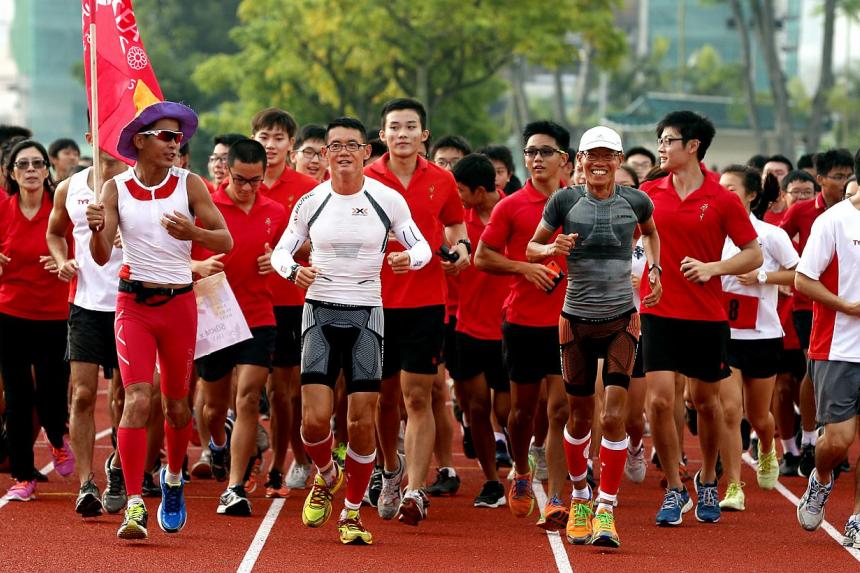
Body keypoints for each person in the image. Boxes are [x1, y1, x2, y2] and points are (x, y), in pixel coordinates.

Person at [272, 116, 431, 544]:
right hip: (319, 313)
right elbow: (281, 252)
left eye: (352, 145)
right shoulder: (310, 202)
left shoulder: (388, 200)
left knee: (362, 423)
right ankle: (328, 472)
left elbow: (423, 246)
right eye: (335, 144)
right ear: (324, 154)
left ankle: (352, 512)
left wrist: (407, 260)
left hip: (367, 316)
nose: (343, 151)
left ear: (366, 153)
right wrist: (294, 273)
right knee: (313, 423)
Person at [87, 100, 233, 540]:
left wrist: (194, 234)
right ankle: (134, 503)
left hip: (179, 306)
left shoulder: (190, 185)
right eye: (167, 137)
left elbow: (225, 238)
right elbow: (99, 256)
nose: (176, 144)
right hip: (133, 305)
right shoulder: (115, 188)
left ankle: (172, 478)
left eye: (179, 137)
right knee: (136, 398)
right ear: (140, 141)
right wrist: (97, 229)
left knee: (176, 405)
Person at [527, 126, 660, 548]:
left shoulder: (636, 201)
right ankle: (581, 494)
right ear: (580, 161)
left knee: (612, 418)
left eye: (608, 155)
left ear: (619, 161)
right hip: (576, 321)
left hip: (622, 319)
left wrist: (654, 268)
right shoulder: (564, 200)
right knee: (579, 416)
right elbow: (532, 247)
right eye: (592, 155)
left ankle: (606, 506)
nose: (599, 162)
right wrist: (552, 250)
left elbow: (652, 233)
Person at [639, 111, 762, 526]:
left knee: (705, 403)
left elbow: (753, 253)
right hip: (658, 308)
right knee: (658, 400)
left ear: (693, 146)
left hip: (705, 315)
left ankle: (708, 478)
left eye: (669, 140)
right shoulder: (649, 191)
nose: (661, 147)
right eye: (660, 139)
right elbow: (636, 241)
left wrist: (713, 268)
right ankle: (676, 487)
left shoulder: (722, 198)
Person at [365, 98, 469, 526]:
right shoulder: (366, 178)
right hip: (374, 301)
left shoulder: (442, 180)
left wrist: (461, 249)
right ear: (383, 134)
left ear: (424, 134)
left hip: (426, 301)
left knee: (418, 397)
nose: (403, 133)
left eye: (411, 126)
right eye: (395, 127)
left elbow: (456, 226)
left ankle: (414, 488)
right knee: (383, 399)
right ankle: (390, 468)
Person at [475, 120, 571, 530]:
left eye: (545, 151)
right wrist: (524, 268)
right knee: (522, 413)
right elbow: (483, 257)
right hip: (523, 321)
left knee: (563, 410)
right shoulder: (511, 205)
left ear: (564, 159)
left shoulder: (583, 203)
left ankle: (557, 497)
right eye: (530, 152)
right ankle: (520, 469)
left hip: (572, 322)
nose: (535, 159)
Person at [192, 139, 287, 516]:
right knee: (214, 408)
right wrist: (197, 267)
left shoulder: (277, 211)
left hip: (258, 316)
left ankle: (234, 487)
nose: (247, 188)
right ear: (226, 171)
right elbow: (178, 254)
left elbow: (291, 254)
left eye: (255, 180)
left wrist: (274, 260)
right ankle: (216, 443)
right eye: (240, 179)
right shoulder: (205, 207)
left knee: (248, 398)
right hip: (214, 315)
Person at [45, 131, 130, 516]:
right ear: (90, 135)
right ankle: (85, 484)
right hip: (85, 304)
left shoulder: (136, 182)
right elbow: (54, 233)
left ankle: (116, 464)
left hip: (130, 302)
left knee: (125, 397)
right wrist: (62, 260)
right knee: (80, 395)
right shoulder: (70, 187)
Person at [716, 166, 799, 512]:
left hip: (763, 335)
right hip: (723, 334)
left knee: (759, 415)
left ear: (751, 195)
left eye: (731, 189)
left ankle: (767, 448)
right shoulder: (711, 233)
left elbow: (799, 274)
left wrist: (762, 275)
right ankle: (734, 485)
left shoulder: (771, 235)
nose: (723, 194)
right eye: (720, 188)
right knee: (730, 411)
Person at [251, 108, 320, 497]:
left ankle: (286, 461)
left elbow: (318, 242)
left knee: (286, 391)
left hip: (293, 299)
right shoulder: (243, 183)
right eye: (264, 137)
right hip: (249, 301)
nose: (271, 145)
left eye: (279, 138)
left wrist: (289, 251)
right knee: (250, 391)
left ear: (291, 145)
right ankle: (265, 454)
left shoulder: (308, 187)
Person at [0, 140, 74, 502]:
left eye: (37, 163)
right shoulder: (3, 207)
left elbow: (80, 255)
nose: (30, 170)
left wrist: (65, 265)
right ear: (11, 173)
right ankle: (23, 475)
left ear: (47, 170)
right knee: (17, 397)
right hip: (10, 314)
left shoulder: (59, 207)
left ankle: (58, 438)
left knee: (50, 393)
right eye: (22, 164)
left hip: (55, 315)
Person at [779, 149, 852, 478]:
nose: (842, 181)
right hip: (818, 318)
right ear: (822, 179)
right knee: (809, 374)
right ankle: (812, 443)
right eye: (837, 175)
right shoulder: (817, 216)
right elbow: (785, 251)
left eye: (845, 173)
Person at [794, 185, 860, 549]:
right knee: (839, 440)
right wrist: (845, 306)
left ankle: (858, 518)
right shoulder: (834, 221)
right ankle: (821, 478)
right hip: (838, 347)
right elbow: (803, 279)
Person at [449, 153, 510, 507]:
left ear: (481, 190)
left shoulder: (515, 214)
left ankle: (520, 462)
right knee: (475, 407)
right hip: (467, 326)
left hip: (508, 328)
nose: (456, 196)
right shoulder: (456, 224)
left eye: (461, 190)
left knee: (508, 411)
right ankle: (491, 480)